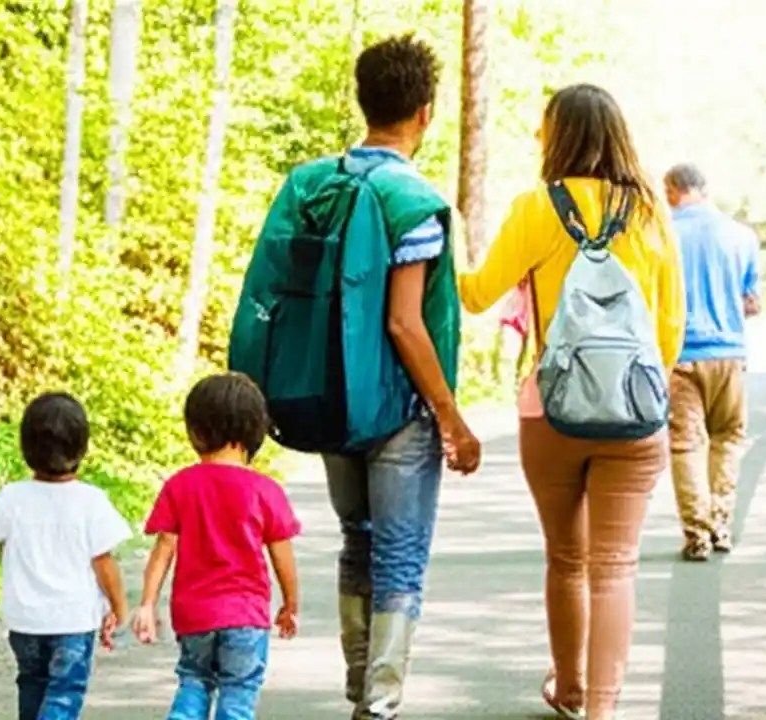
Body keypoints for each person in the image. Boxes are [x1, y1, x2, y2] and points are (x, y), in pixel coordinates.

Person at [457, 84, 685, 720]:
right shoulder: (649, 214)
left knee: (566, 558)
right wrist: (634, 391)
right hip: (636, 415)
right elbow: (671, 329)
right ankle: (602, 710)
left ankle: (571, 689)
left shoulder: (536, 208)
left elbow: (476, 295)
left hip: (551, 411)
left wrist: (443, 247)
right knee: (615, 567)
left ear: (558, 136)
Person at [305, 33, 483, 720]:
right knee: (401, 556)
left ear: (364, 100)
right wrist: (452, 417)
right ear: (426, 112)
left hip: (331, 397)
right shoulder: (412, 200)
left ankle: (361, 690)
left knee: (357, 539)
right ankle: (379, 705)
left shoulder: (322, 184)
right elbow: (406, 324)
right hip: (399, 411)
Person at [133, 372, 301, 720]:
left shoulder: (180, 486)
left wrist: (147, 603)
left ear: (195, 432)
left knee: (194, 680)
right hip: (246, 617)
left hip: (194, 616)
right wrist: (290, 604)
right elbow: (282, 554)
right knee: (238, 693)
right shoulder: (265, 491)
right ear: (255, 433)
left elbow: (164, 548)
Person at [0, 392, 133, 720]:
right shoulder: (90, 501)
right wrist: (119, 608)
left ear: (25, 449)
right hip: (72, 622)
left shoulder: (12, 497)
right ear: (82, 448)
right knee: (64, 693)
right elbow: (104, 563)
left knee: (32, 685)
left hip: (24, 621)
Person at [663, 163, 761, 561]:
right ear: (704, 189)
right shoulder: (742, 236)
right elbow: (752, 301)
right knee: (728, 439)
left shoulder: (663, 236)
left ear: (672, 191)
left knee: (686, 443)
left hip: (681, 356)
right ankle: (720, 524)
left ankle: (696, 533)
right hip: (729, 354)